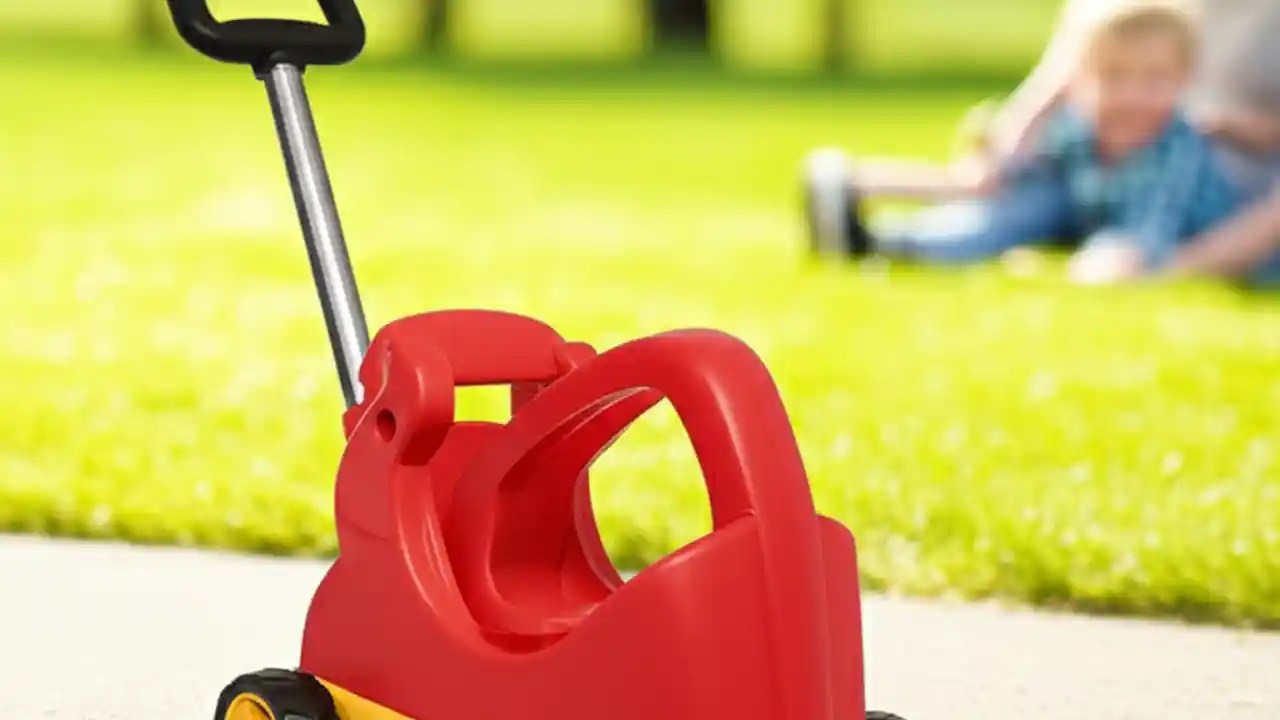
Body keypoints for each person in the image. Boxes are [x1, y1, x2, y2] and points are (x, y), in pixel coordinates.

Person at [804, 0, 1280, 285]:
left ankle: (878, 216)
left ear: (1183, 82)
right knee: (1007, 212)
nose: (1132, 96)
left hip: (1182, 221)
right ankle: (881, 236)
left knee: (1099, 244)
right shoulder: (1081, 125)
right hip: (1079, 202)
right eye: (1116, 78)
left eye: (1153, 81)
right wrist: (1000, 151)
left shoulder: (1180, 148)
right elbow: (1017, 175)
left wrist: (1117, 265)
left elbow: (1151, 226)